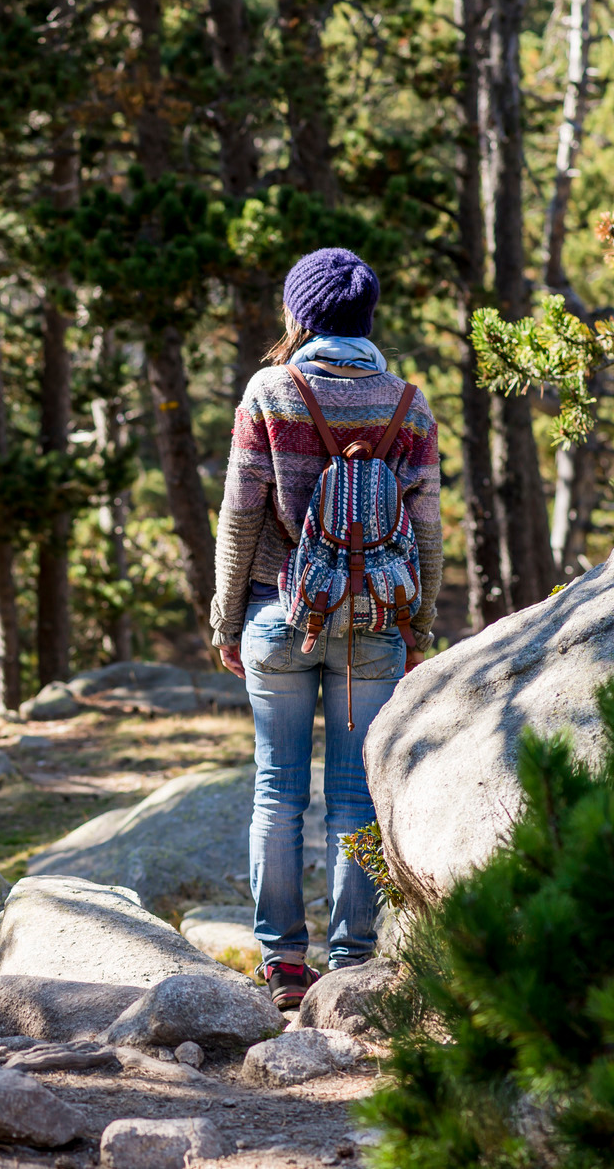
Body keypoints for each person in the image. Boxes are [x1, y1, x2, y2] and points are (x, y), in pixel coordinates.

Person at [209, 248, 441, 1009]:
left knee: (276, 792)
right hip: (373, 621)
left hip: (279, 614)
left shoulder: (272, 390)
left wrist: (223, 617)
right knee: (355, 800)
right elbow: (427, 529)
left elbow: (241, 516)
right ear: (367, 317)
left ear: (301, 315)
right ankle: (349, 965)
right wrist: (420, 621)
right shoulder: (408, 405)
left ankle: (281, 961)